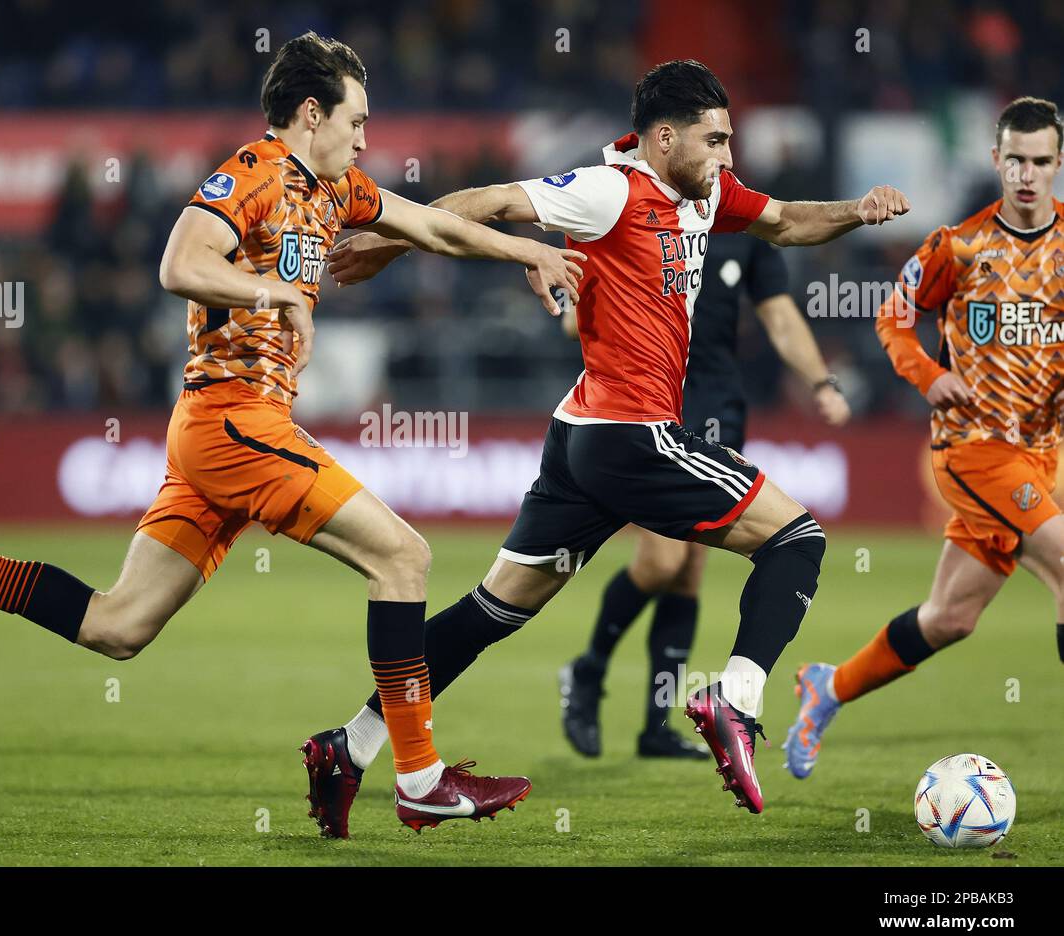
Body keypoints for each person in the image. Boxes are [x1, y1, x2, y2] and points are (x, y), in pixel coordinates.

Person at [0, 32, 585, 839]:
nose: (364, 138)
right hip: (232, 420)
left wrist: (527, 249)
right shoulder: (251, 172)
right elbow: (179, 262)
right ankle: (418, 777)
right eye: (355, 119)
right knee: (405, 557)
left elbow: (434, 227)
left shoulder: (335, 189)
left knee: (118, 626)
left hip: (218, 435)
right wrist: (273, 291)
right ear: (310, 113)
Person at [308, 59, 908, 835]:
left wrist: (858, 210)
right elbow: (490, 200)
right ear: (664, 138)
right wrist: (389, 246)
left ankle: (349, 747)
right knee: (798, 537)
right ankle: (735, 699)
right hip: (632, 435)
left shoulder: (708, 195)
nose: (727, 156)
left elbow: (789, 221)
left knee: (490, 613)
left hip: (582, 441)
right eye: (714, 139)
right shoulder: (608, 190)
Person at [784, 96, 1064, 778]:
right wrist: (928, 375)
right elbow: (893, 317)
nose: (1028, 175)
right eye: (1016, 161)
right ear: (997, 161)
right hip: (974, 450)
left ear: (1058, 165)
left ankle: (831, 686)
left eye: (1043, 162)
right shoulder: (959, 246)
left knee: (949, 619)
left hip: (1043, 455)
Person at [558, 232, 850, 761]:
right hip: (649, 396)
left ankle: (654, 727)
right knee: (662, 559)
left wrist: (821, 383)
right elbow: (579, 299)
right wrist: (575, 300)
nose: (722, 158)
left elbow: (780, 316)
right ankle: (588, 669)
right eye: (715, 143)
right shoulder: (647, 212)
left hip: (717, 402)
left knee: (688, 568)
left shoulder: (746, 230)